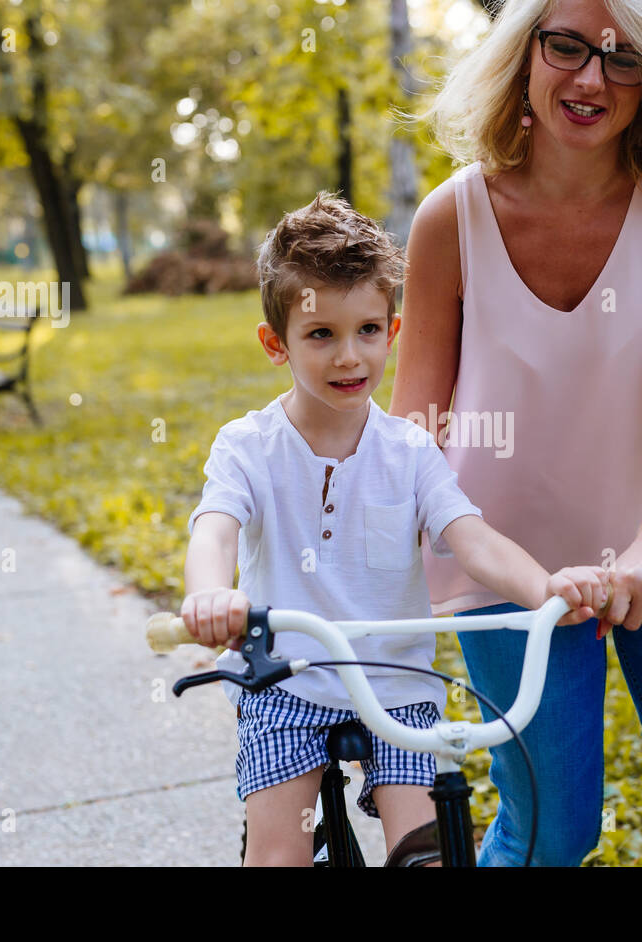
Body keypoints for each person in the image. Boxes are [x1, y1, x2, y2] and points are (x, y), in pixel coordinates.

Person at [390, 0, 642, 866]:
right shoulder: (452, 217)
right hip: (509, 566)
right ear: (525, 56)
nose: (591, 78)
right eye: (567, 46)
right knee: (551, 832)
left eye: (624, 58)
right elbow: (418, 423)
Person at [181, 190, 609, 866]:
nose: (349, 357)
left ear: (394, 331)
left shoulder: (409, 450)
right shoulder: (247, 447)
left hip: (396, 687)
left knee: (428, 852)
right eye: (321, 335)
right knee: (277, 858)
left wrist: (546, 585)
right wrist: (211, 593)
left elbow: (472, 539)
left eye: (368, 332)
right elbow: (215, 528)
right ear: (276, 343)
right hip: (285, 683)